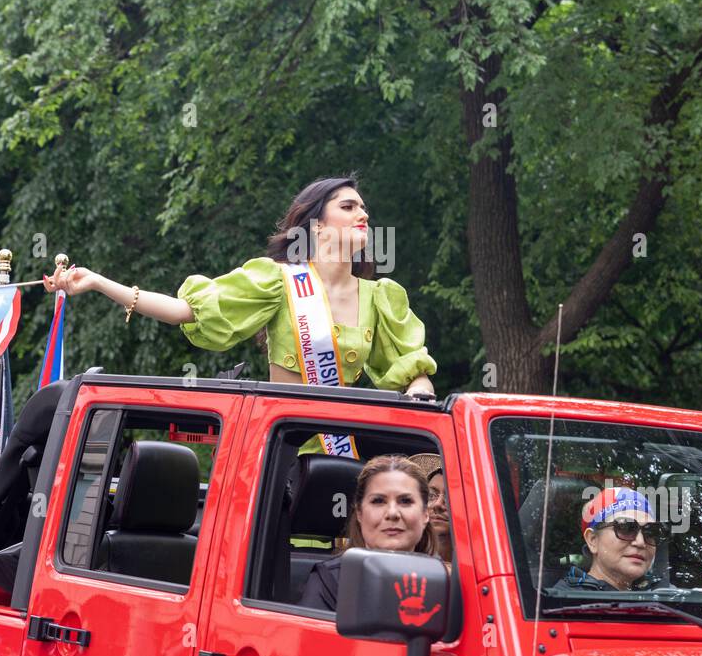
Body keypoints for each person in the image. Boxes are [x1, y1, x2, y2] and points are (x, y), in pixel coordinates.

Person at [43, 177, 437, 456]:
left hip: (344, 452)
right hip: (283, 451)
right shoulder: (277, 281)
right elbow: (184, 312)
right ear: (316, 225)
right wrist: (97, 281)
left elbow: (408, 366)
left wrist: (422, 392)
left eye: (364, 208)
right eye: (348, 207)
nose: (363, 214)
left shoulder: (382, 297)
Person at [298, 455, 438, 612]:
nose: (392, 513)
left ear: (425, 513)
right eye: (378, 501)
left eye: (405, 501)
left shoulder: (446, 581)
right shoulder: (330, 581)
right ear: (359, 513)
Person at [550, 487, 663, 592]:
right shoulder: (564, 603)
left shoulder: (663, 596)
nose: (640, 542)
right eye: (626, 528)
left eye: (651, 532)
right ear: (592, 540)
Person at [408, 452, 452, 563]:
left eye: (451, 497)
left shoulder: (482, 563)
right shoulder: (405, 553)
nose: (438, 504)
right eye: (431, 495)